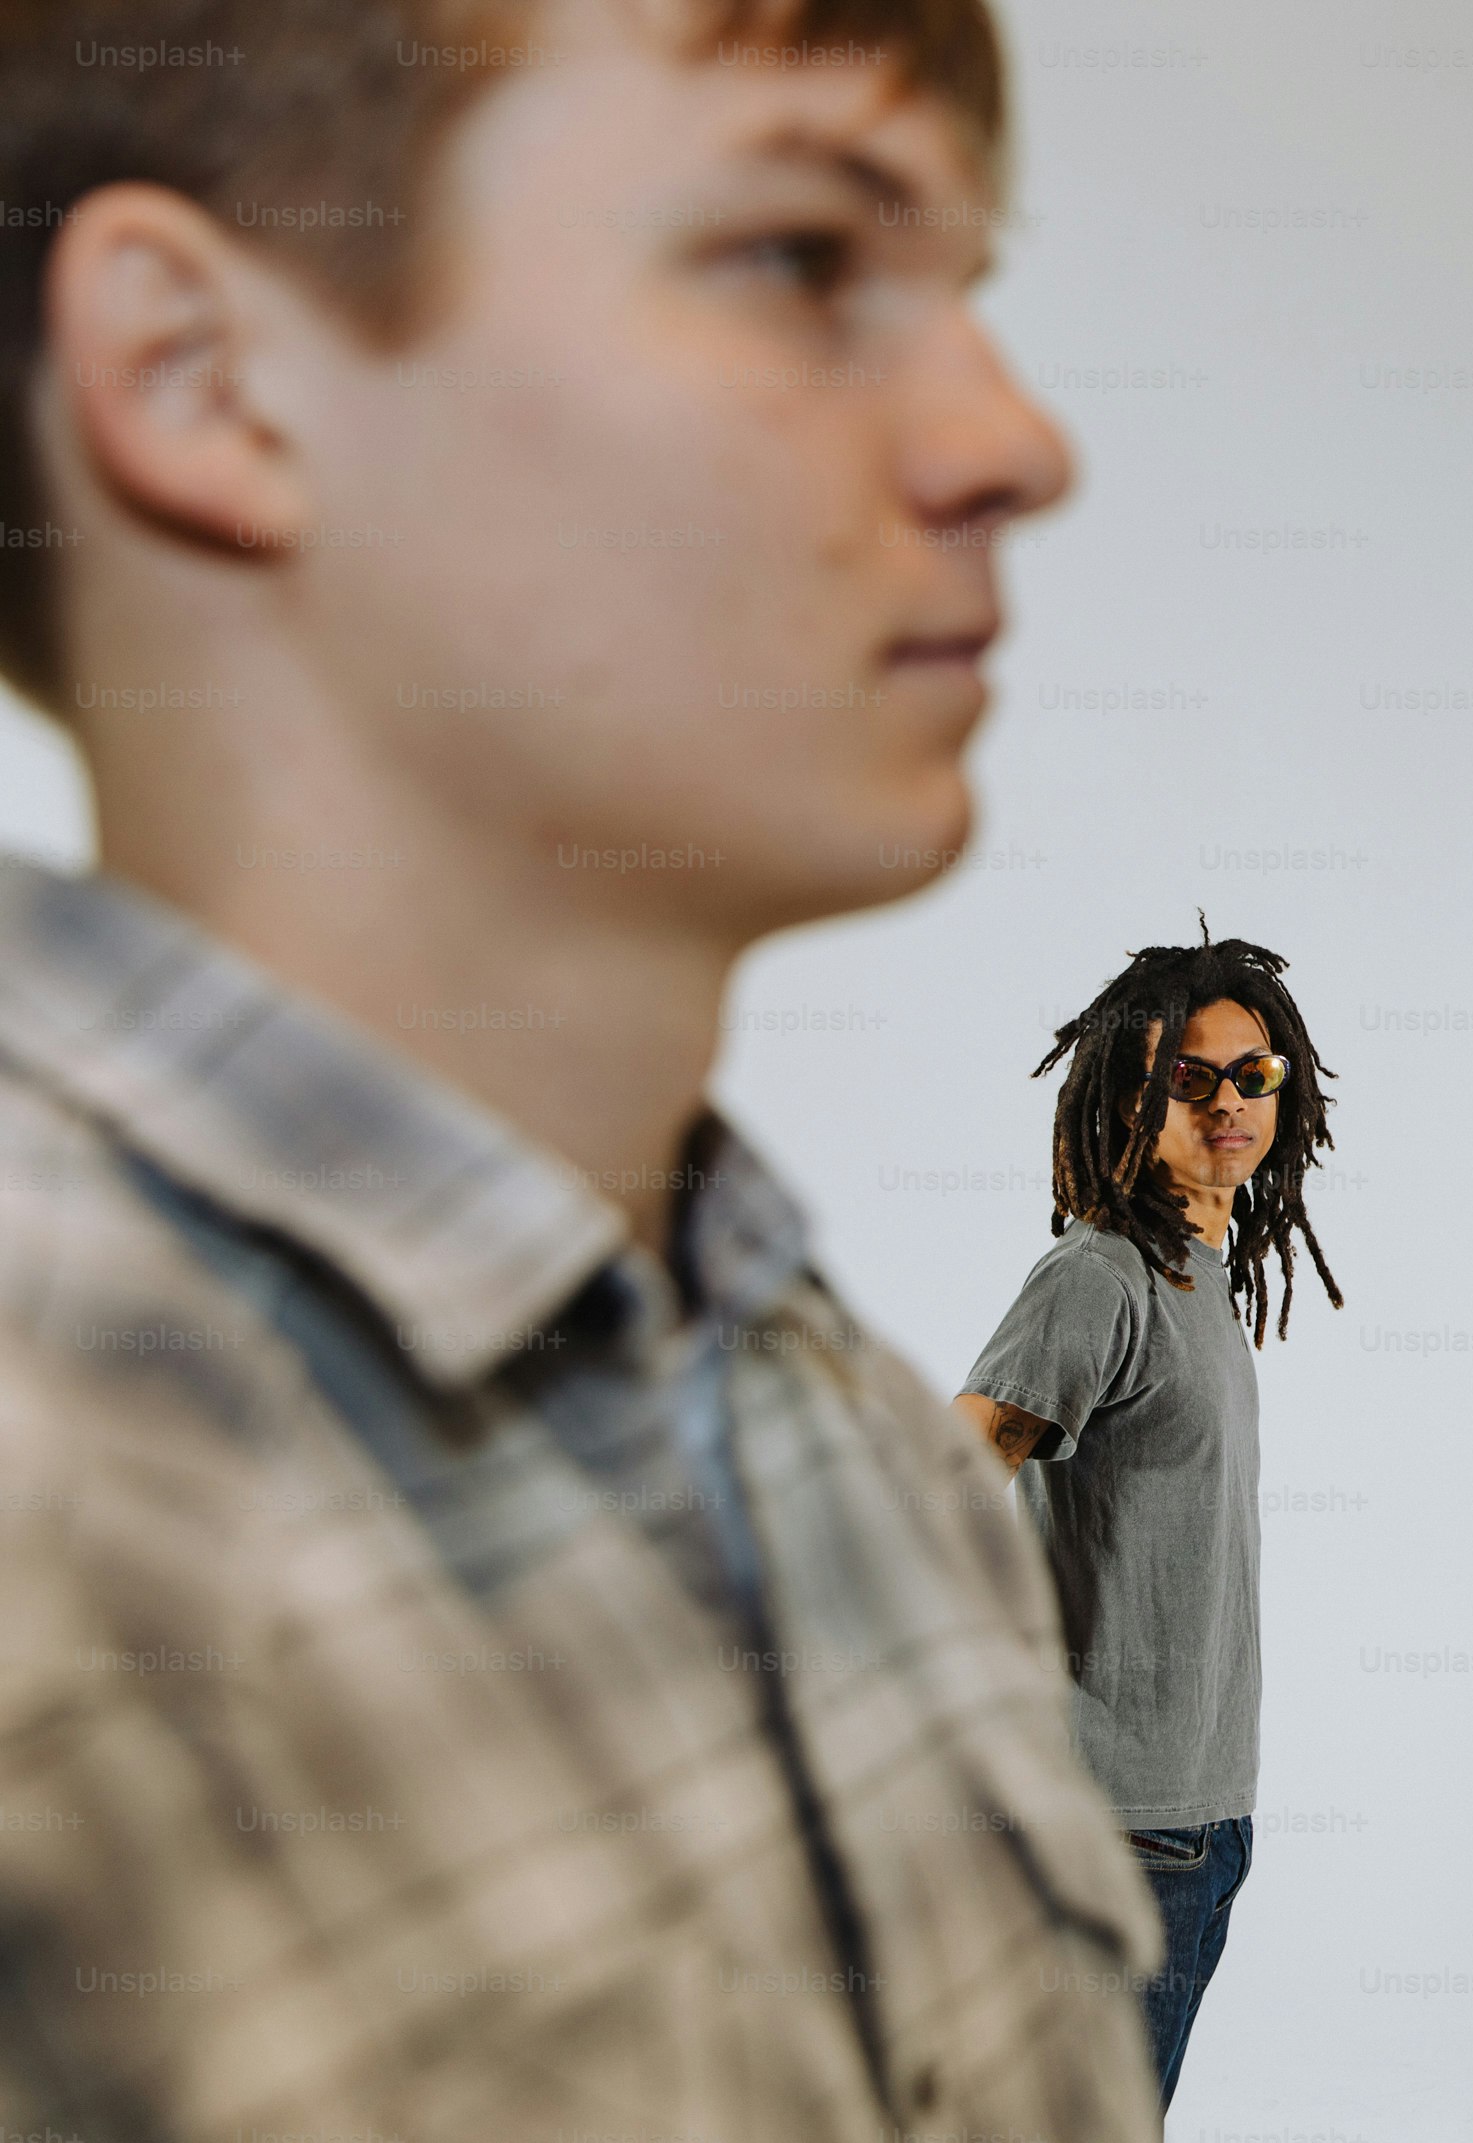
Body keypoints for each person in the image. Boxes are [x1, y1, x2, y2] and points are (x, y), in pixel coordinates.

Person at [0, 2, 1168, 2136]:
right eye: (809, 259)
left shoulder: (860, 1447)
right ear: (197, 374)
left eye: (963, 289)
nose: (1016, 440)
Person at [954, 931, 1341, 2107]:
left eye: (1252, 1074)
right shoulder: (1101, 1276)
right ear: (1132, 1092)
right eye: (1189, 1075)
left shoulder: (1198, 1279)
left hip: (1200, 1818)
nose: (1227, 1099)